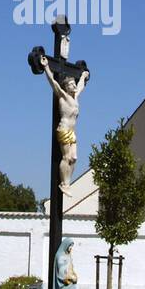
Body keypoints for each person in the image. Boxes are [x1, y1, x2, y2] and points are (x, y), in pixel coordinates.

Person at [40, 54, 87, 196]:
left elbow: (80, 86)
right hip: (64, 129)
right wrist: (46, 66)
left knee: (74, 158)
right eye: (71, 84)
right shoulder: (63, 96)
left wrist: (83, 76)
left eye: (74, 84)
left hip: (72, 131)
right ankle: (64, 183)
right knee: (66, 157)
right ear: (66, 87)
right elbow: (53, 83)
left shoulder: (75, 97)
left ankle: (68, 182)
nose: (73, 86)